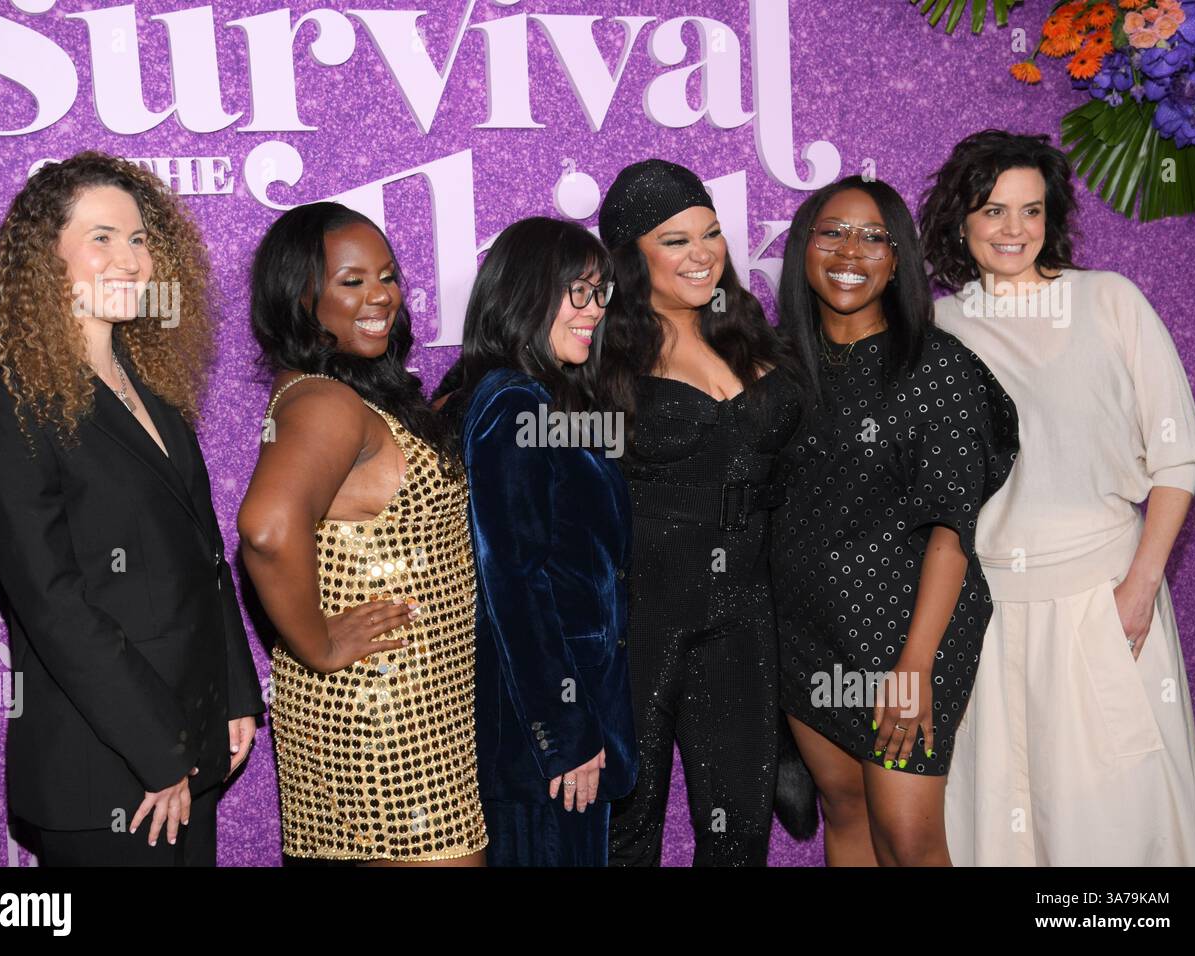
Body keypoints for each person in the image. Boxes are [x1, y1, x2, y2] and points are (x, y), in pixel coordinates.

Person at [0, 151, 264, 866]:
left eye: (140, 239)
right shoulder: (2, 408)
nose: (130, 259)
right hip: (106, 767)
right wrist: (159, 751)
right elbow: (53, 604)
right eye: (102, 238)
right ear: (43, 257)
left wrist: (236, 695)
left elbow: (205, 561)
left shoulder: (153, 395)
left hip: (193, 746)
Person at [921, 129, 1195, 866]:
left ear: (1051, 217)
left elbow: (1177, 456)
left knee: (1114, 824)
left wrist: (1141, 587)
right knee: (999, 823)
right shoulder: (940, 325)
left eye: (1030, 210)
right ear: (961, 222)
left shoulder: (1109, 300)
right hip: (985, 614)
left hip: (1102, 598)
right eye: (993, 211)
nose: (1013, 230)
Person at [773, 175, 1017, 866]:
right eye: (833, 232)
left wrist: (914, 668)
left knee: (909, 840)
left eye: (874, 236)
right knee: (845, 811)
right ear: (803, 247)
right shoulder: (779, 366)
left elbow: (952, 529)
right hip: (807, 628)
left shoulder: (936, 368)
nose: (851, 250)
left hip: (906, 632)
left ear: (899, 259)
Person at [238, 202, 487, 866]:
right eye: (352, 282)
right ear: (301, 297)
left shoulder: (329, 393)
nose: (380, 296)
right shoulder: (326, 404)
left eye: (388, 275)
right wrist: (316, 643)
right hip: (388, 720)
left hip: (403, 708)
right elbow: (265, 529)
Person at [596, 159, 812, 866]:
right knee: (627, 831)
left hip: (746, 619)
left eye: (711, 233)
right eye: (675, 240)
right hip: (643, 622)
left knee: (739, 832)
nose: (703, 254)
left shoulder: (745, 330)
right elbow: (494, 408)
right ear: (632, 256)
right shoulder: (600, 353)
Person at [435, 216, 637, 866]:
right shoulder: (515, 406)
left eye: (600, 292)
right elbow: (512, 579)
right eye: (576, 291)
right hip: (542, 742)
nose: (594, 309)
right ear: (524, 293)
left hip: (557, 723)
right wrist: (564, 732)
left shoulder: (533, 401)